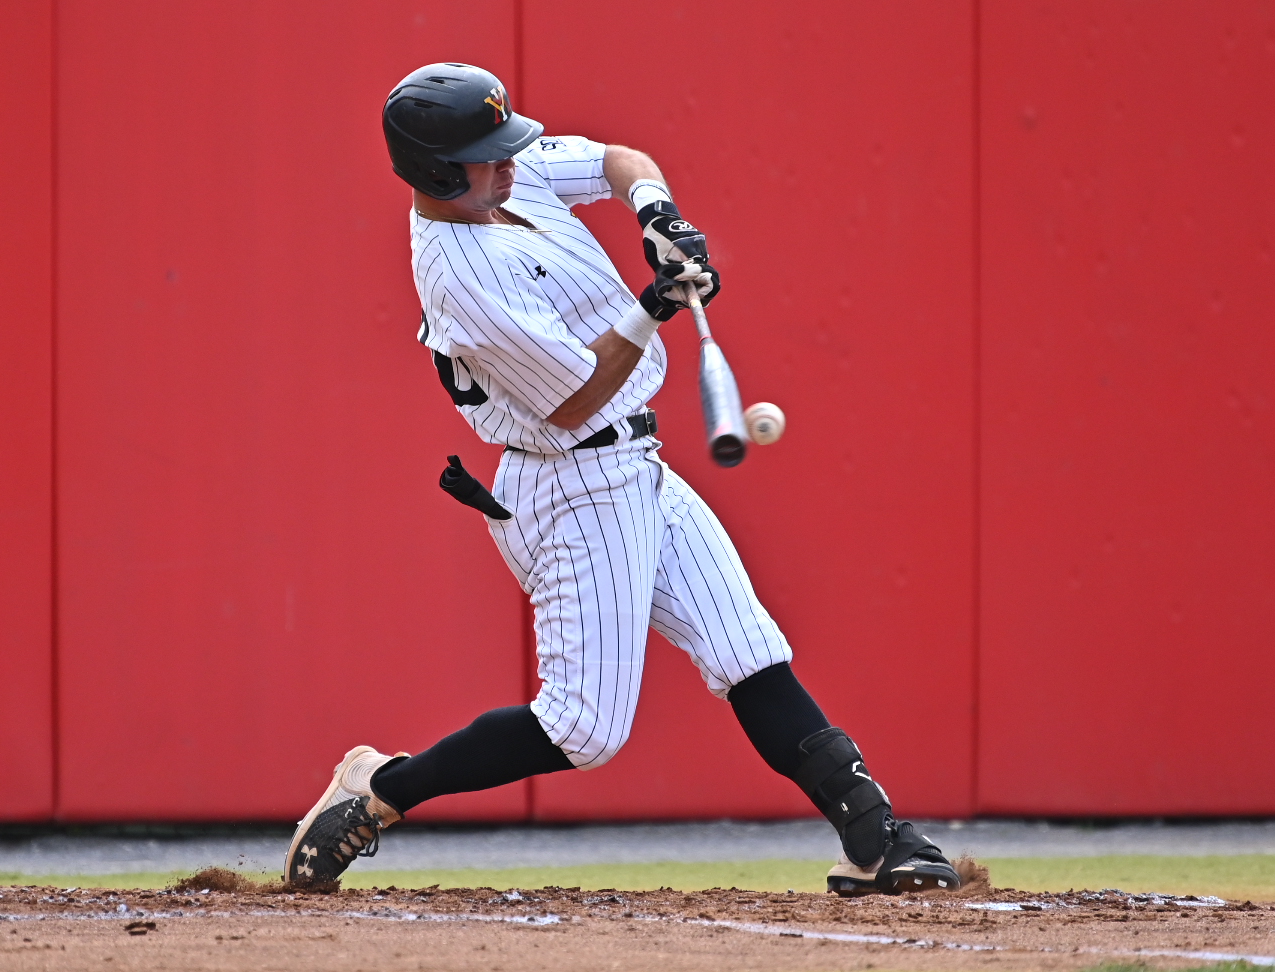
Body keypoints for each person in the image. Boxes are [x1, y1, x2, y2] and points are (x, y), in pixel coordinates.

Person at [283, 64, 961, 896]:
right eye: (485, 157)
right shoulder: (461, 274)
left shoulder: (504, 174)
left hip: (630, 462)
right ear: (434, 172)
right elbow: (572, 402)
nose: (507, 164)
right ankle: (379, 792)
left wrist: (658, 217)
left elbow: (618, 161)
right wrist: (653, 307)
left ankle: (876, 837)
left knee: (746, 647)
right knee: (584, 729)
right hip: (568, 482)